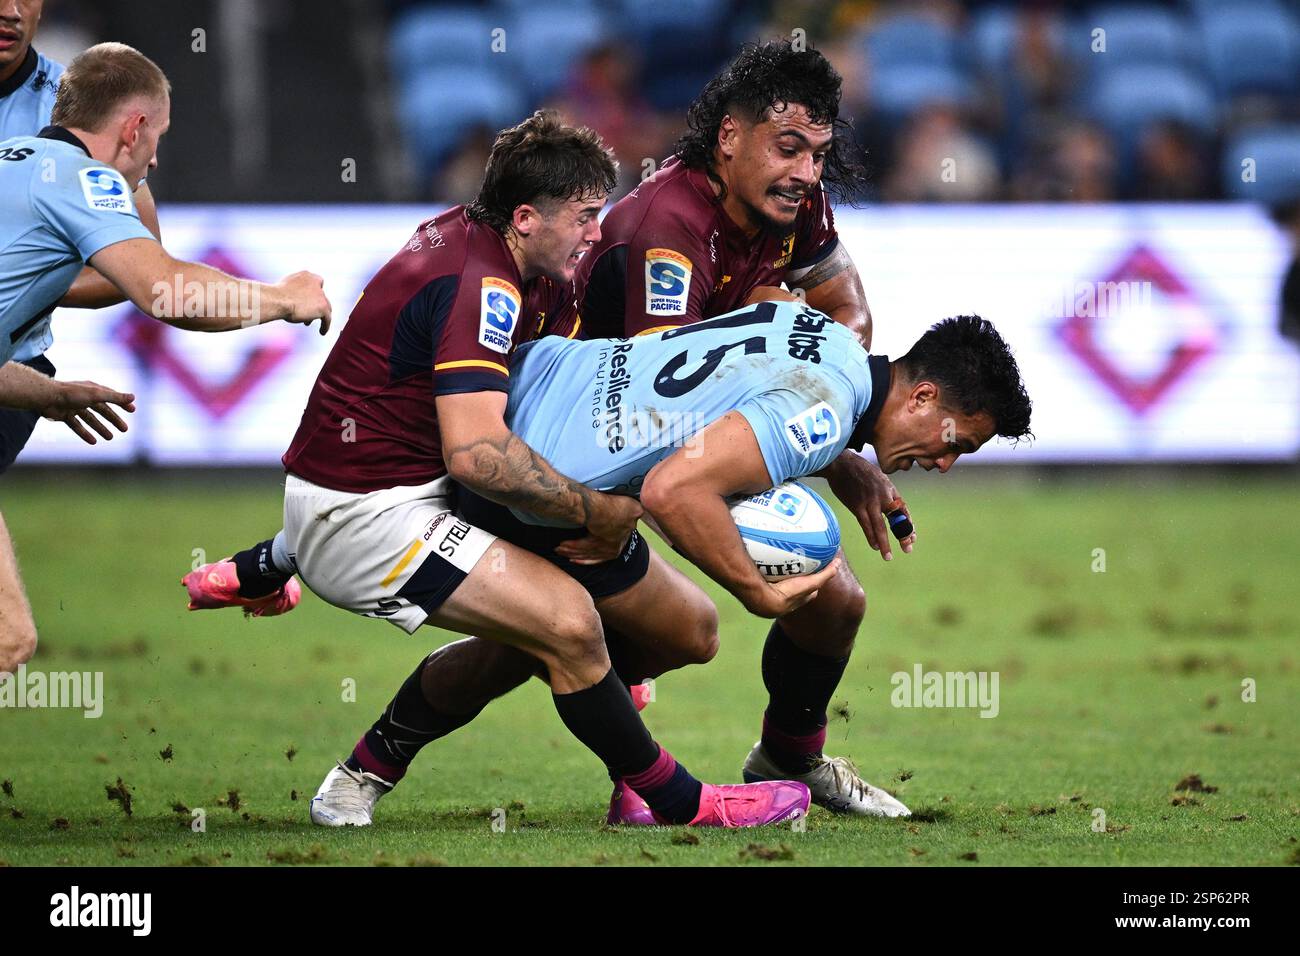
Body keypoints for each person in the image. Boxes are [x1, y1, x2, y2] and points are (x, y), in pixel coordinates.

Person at [191, 39, 931, 821]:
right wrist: (614, 510)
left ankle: (779, 759)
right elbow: (659, 414)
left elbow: (841, 320)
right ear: (731, 138)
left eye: (819, 154)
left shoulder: (768, 205)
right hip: (575, 461)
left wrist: (833, 435)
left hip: (552, 457)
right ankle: (670, 797)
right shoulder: (655, 234)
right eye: (790, 149)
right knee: (624, 630)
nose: (808, 172)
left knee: (592, 632)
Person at [274, 111, 813, 829]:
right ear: (525, 217)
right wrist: (596, 511)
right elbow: (477, 452)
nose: (600, 231)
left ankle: (370, 763)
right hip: (369, 516)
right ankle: (676, 800)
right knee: (565, 623)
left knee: (688, 631)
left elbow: (556, 418)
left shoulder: (538, 272)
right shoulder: (482, 282)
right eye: (587, 215)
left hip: (439, 491)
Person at [0, 41, 331, 678]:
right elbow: (165, 289)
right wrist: (283, 299)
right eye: (159, 135)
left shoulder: (14, 163)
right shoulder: (83, 178)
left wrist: (46, 394)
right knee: (8, 640)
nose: (155, 154)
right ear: (134, 128)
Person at [0, 0, 164, 472]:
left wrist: (32, 285)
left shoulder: (73, 104)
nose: (11, 10)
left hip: (16, 368)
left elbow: (142, 260)